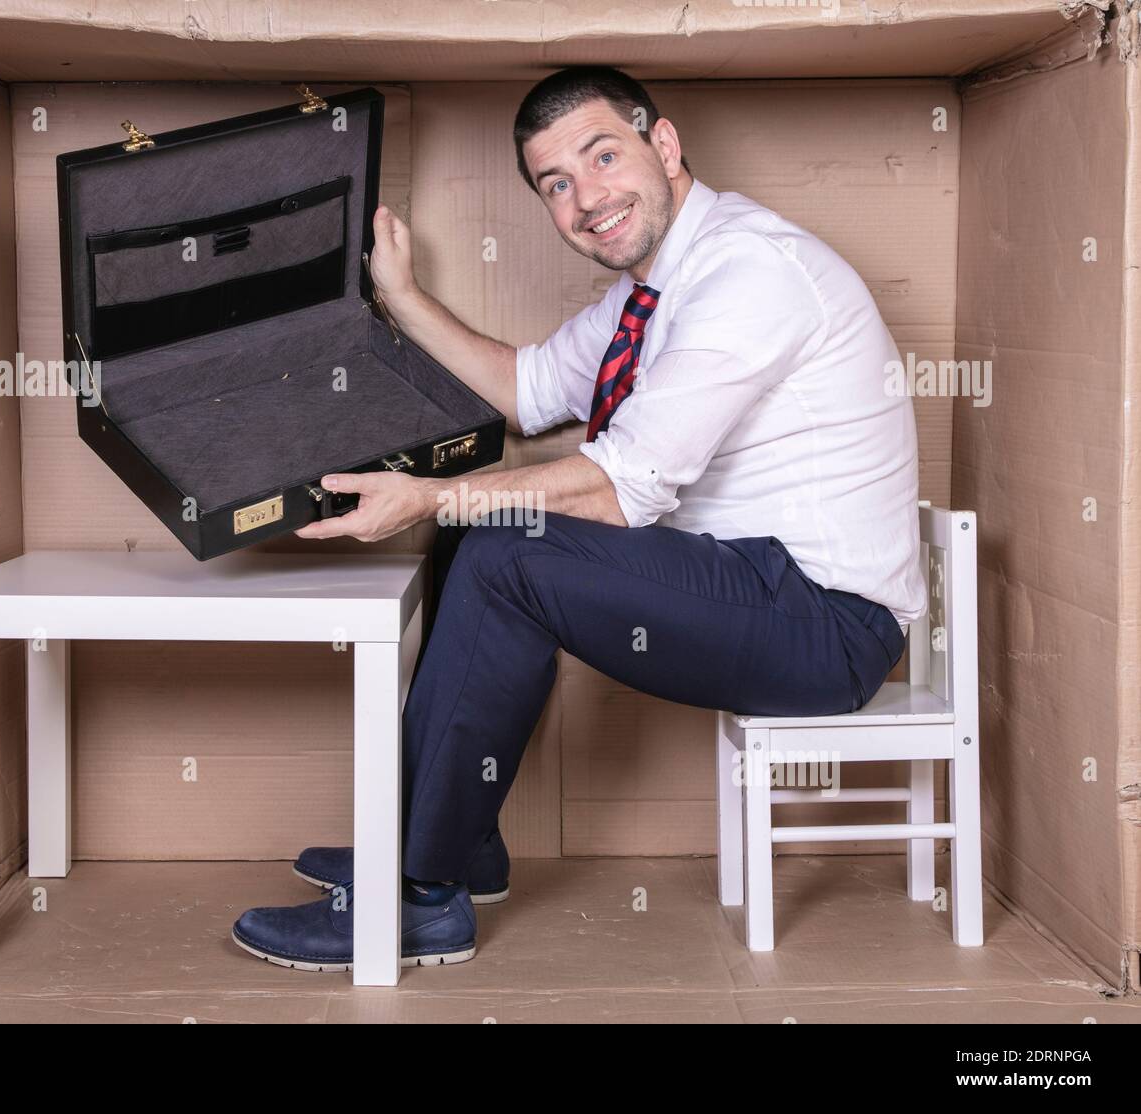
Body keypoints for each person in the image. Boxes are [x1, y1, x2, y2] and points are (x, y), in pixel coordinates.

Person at [231, 66, 928, 972]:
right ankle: (452, 839)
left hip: (825, 623)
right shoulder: (649, 294)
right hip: (748, 581)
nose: (587, 198)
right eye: (556, 184)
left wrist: (428, 495)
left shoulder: (749, 271)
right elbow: (524, 394)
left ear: (663, 145)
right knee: (476, 529)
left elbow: (623, 489)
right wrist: (400, 299)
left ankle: (414, 899)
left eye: (604, 157)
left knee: (501, 553)